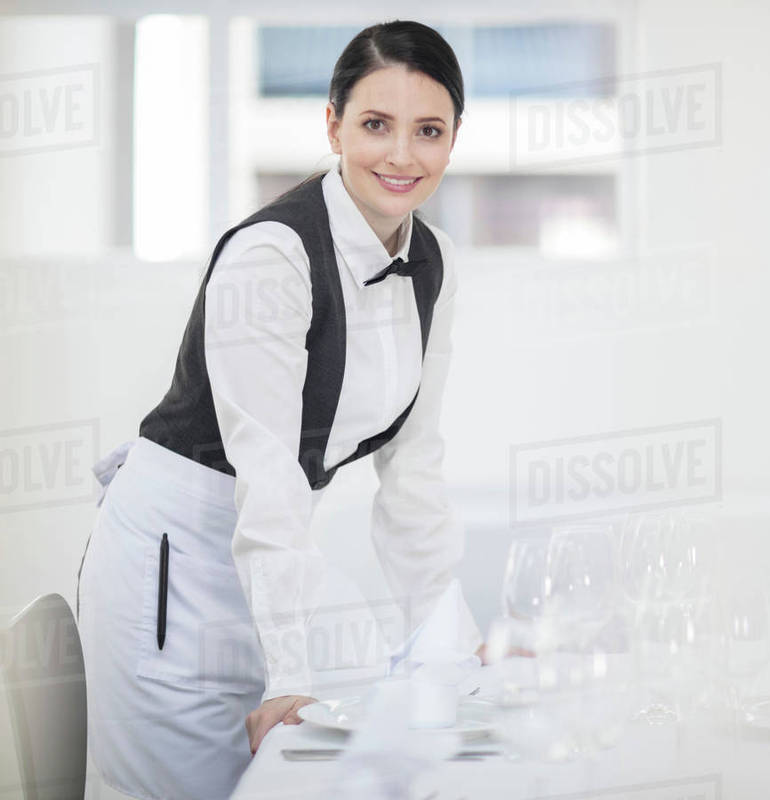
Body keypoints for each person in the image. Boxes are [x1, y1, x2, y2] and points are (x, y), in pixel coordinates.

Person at [75, 20, 481, 800]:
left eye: (428, 130)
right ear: (331, 124)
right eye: (375, 125)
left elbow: (415, 480)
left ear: (455, 138)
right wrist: (290, 675)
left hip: (277, 556)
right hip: (178, 561)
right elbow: (266, 475)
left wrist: (453, 651)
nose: (402, 155)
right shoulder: (273, 255)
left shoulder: (435, 264)